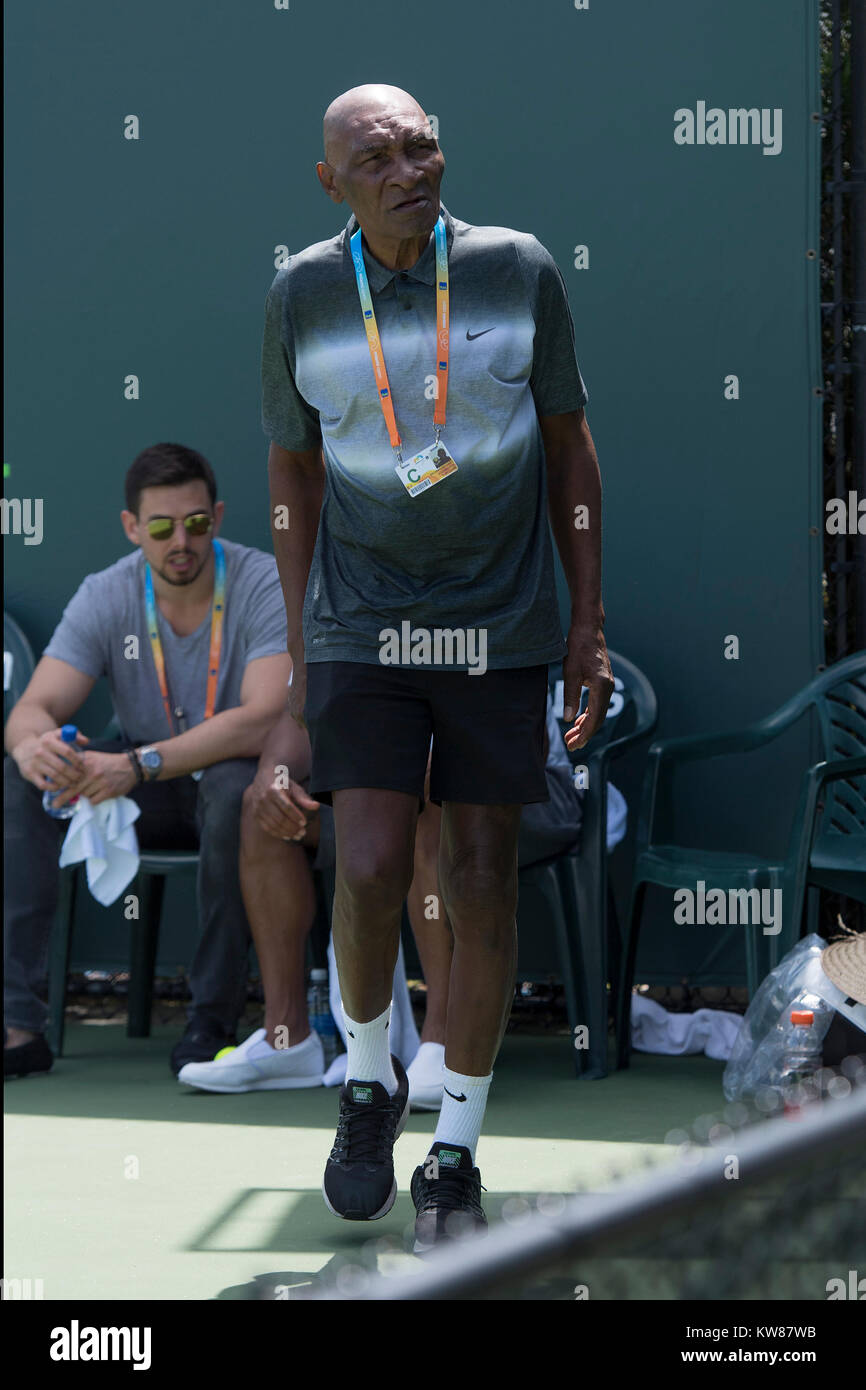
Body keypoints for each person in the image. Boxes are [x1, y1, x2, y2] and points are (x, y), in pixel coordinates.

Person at [262, 83, 613, 1250]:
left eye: (421, 143)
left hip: (500, 627)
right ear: (332, 184)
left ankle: (453, 1152)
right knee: (363, 864)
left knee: (476, 879)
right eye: (378, 155)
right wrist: (311, 628)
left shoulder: (518, 269)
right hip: (362, 625)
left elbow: (568, 443)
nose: (410, 165)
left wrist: (584, 619)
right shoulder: (304, 292)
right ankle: (368, 1083)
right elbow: (294, 472)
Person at [3, 443, 291, 1078]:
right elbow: (34, 706)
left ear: (216, 517)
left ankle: (211, 1020)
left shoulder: (260, 580)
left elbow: (266, 716)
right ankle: (17, 1026)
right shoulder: (106, 593)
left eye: (195, 522)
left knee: (231, 786)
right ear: (133, 528)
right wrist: (32, 747)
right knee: (20, 781)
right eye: (160, 527)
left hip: (226, 783)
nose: (179, 540)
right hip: (147, 792)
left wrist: (135, 765)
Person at [174, 689, 588, 1097]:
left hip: (523, 793)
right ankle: (288, 1040)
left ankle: (445, 1044)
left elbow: (513, 733)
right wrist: (273, 774)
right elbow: (304, 702)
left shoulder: (469, 625)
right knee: (264, 808)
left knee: (435, 787)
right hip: (393, 796)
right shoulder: (349, 626)